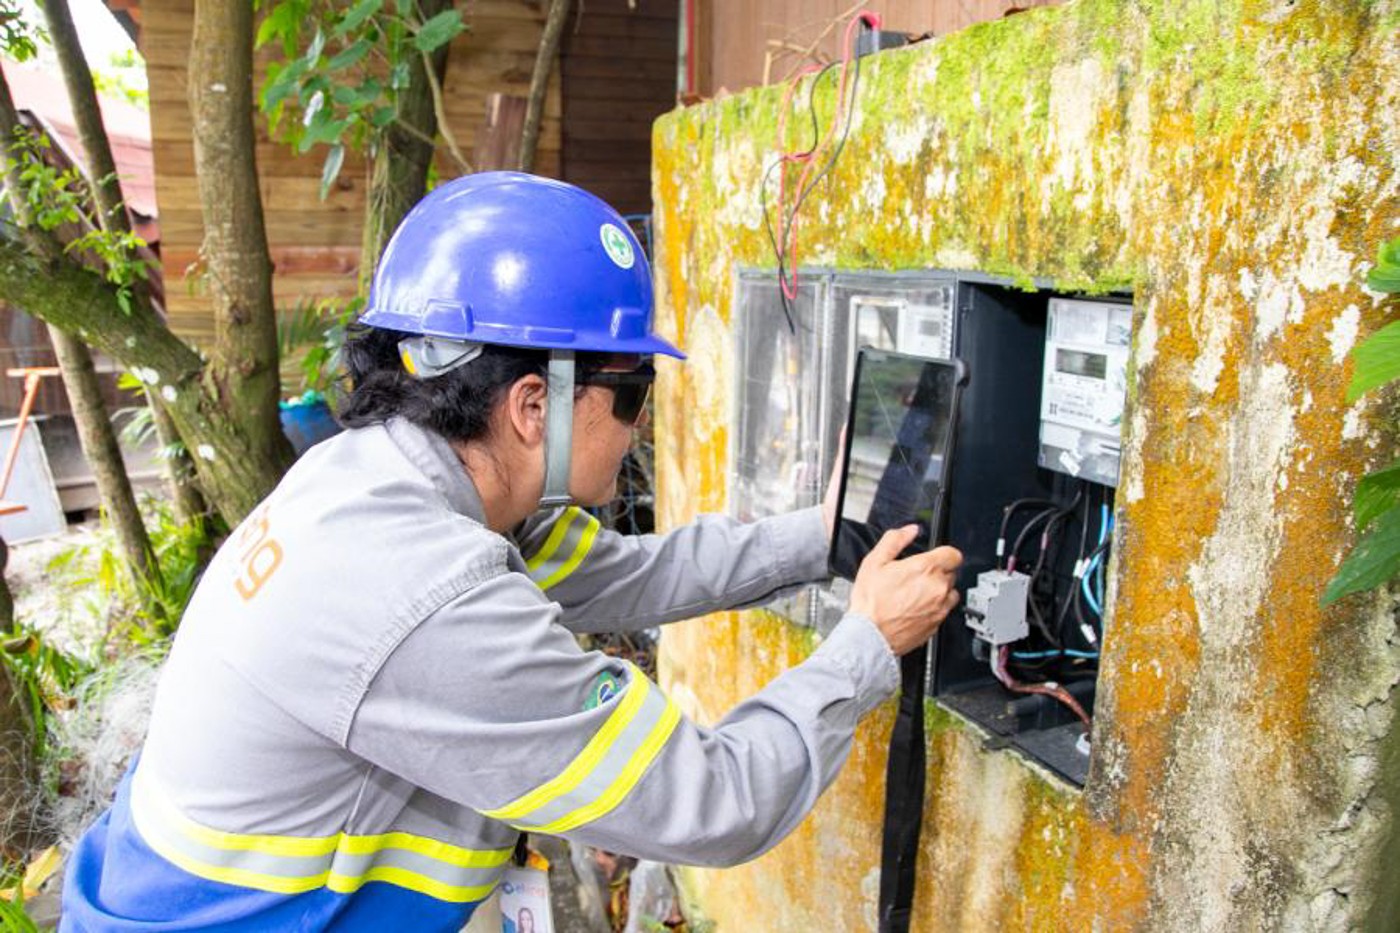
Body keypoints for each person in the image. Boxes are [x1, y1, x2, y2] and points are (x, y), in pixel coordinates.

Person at [59, 172, 962, 932]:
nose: (643, 424)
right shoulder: (426, 589)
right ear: (536, 406)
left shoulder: (394, 481)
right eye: (634, 389)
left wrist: (834, 532)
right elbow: (714, 798)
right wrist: (866, 646)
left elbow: (639, 573)